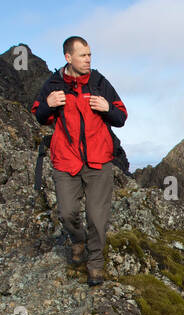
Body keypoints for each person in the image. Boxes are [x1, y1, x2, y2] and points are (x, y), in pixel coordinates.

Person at [30, 36, 128, 286]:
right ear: (68, 58)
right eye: (83, 55)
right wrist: (48, 105)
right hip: (66, 160)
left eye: (90, 55)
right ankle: (77, 240)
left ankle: (95, 263)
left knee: (97, 217)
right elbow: (39, 115)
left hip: (98, 161)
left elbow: (121, 116)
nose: (88, 60)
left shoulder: (98, 82)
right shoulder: (53, 84)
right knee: (67, 213)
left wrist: (107, 108)